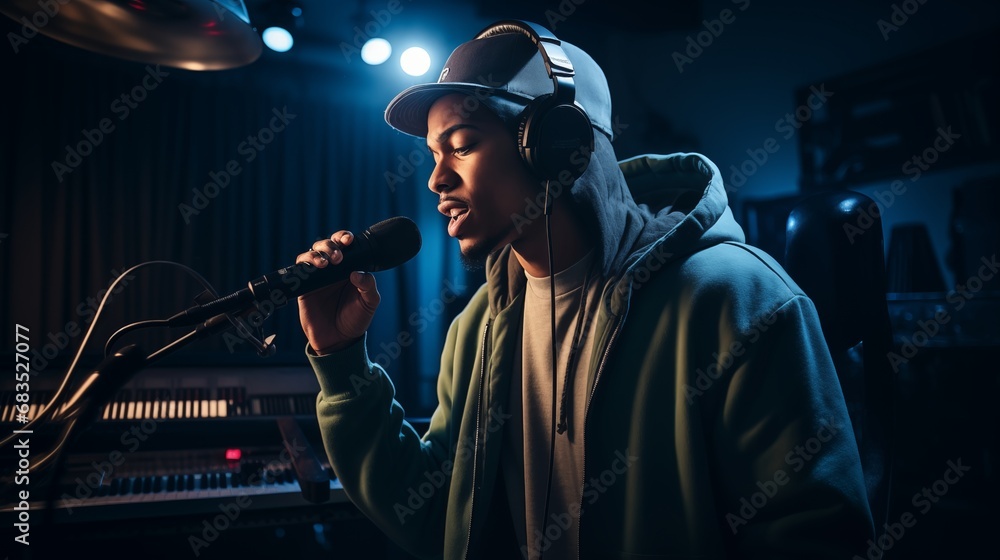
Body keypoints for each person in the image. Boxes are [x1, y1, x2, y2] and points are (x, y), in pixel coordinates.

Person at [296, 19, 874, 560]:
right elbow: (437, 518)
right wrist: (341, 362)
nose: (436, 178)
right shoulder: (477, 329)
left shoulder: (738, 300)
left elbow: (815, 535)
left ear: (555, 145)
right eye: (434, 154)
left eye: (463, 145)